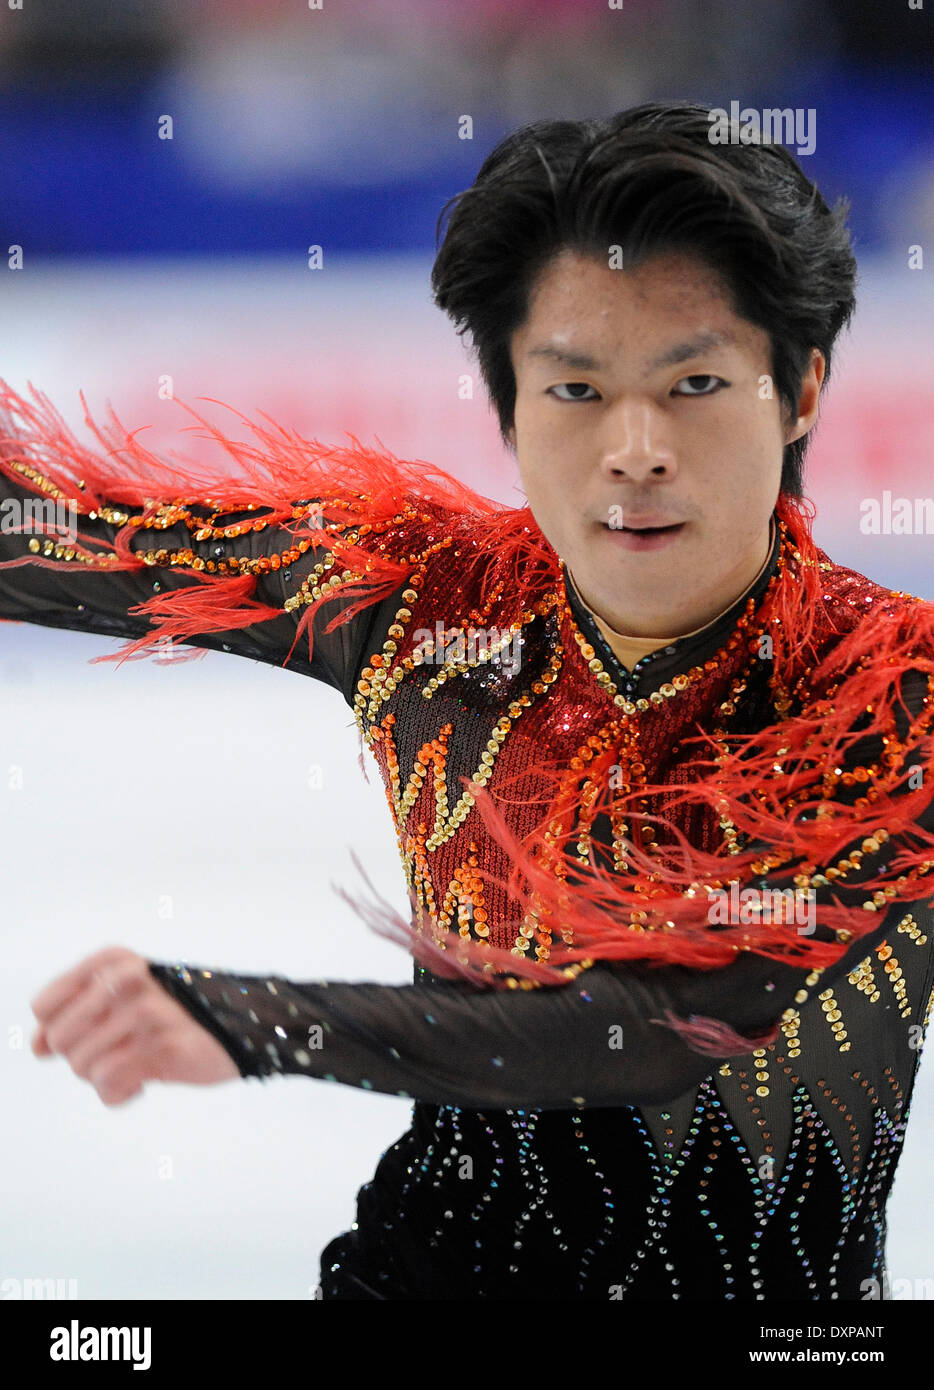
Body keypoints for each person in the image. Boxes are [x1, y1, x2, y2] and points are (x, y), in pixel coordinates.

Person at [3, 99, 934, 1302]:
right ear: (505, 406)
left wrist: (259, 1020)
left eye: (694, 382)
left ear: (800, 390)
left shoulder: (891, 684)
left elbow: (662, 1022)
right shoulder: (415, 594)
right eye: (575, 390)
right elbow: (73, 540)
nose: (635, 448)